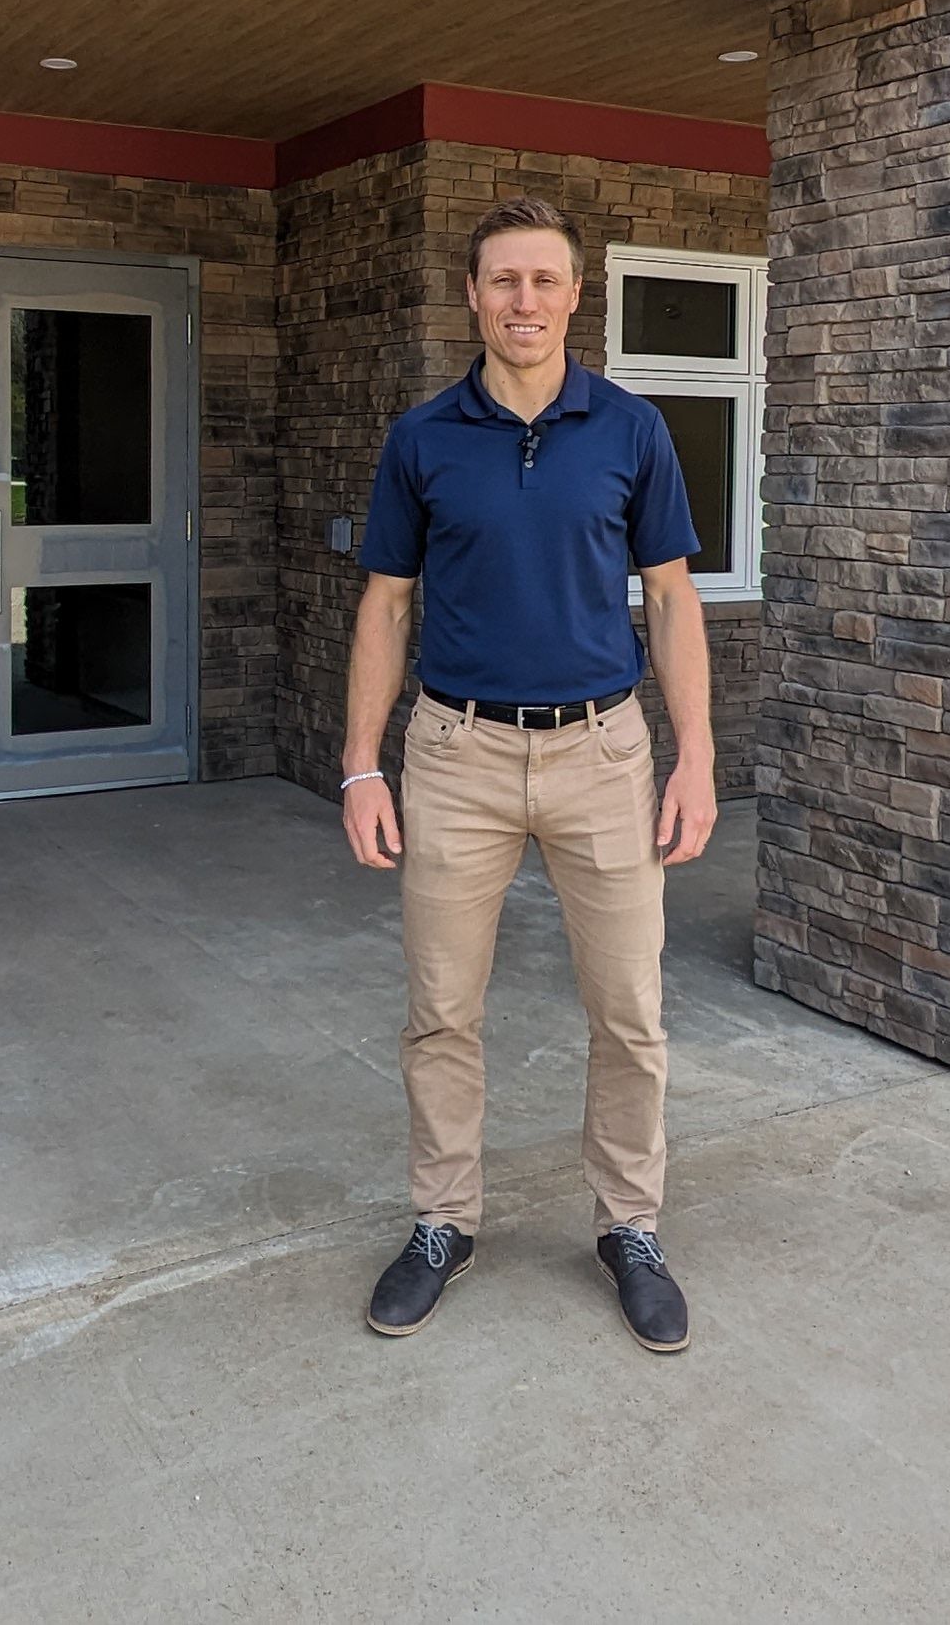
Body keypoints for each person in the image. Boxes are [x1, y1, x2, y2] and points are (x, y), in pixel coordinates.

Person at [340, 195, 716, 1354]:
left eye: (545, 281)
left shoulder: (632, 429)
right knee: (442, 1012)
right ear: (472, 294)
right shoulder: (422, 439)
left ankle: (630, 1228)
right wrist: (361, 765)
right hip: (455, 754)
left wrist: (696, 755)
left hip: (604, 751)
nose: (525, 302)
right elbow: (386, 607)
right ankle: (444, 1220)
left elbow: (671, 597)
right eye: (503, 281)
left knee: (629, 1011)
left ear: (574, 294)